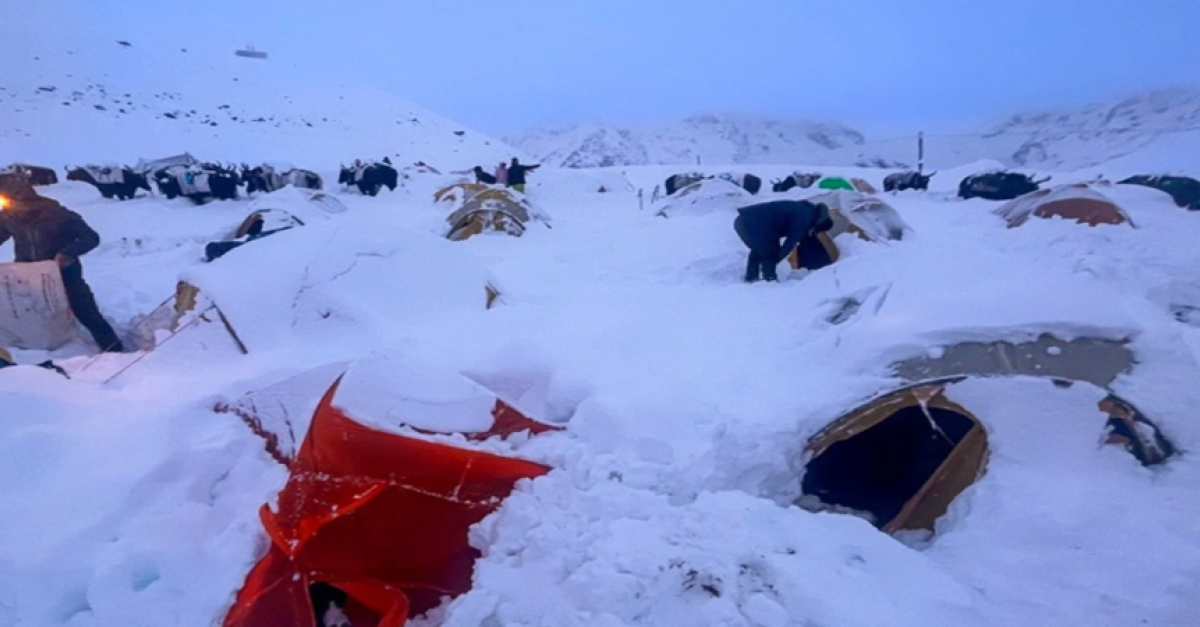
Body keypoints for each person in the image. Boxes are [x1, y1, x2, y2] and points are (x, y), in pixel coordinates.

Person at [0, 174, 125, 352]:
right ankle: (35, 356)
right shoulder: (8, 217)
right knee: (28, 314)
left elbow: (90, 237)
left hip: (65, 274)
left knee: (87, 313)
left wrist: (67, 254)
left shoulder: (57, 214)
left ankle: (115, 351)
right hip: (28, 277)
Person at [733, 199, 833, 283]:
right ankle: (769, 281)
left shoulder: (805, 209)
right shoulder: (805, 217)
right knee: (769, 251)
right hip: (751, 224)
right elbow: (791, 241)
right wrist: (777, 258)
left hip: (744, 220)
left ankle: (752, 278)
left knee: (760, 249)